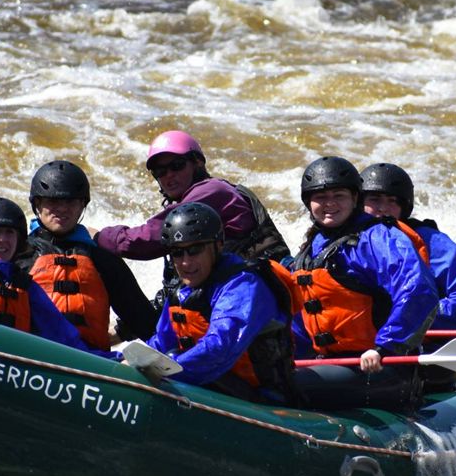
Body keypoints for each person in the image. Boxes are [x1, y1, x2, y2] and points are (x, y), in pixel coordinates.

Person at [288, 157, 440, 411]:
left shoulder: (379, 238)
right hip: (332, 363)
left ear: (355, 198)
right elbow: (299, 320)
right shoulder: (309, 251)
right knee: (271, 379)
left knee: (289, 386)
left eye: (339, 196)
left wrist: (384, 347)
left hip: (381, 366)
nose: (329, 203)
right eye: (321, 197)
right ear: (308, 202)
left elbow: (418, 291)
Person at [90, 130, 289, 300]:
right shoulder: (212, 191)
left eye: (177, 165)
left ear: (197, 163)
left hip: (253, 295)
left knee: (104, 257)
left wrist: (97, 237)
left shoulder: (211, 191)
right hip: (233, 290)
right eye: (160, 171)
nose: (169, 175)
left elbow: (143, 242)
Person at [147, 202, 296, 403]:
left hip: (262, 399)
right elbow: (160, 344)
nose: (185, 262)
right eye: (177, 253)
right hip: (209, 388)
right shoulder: (180, 292)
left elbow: (220, 346)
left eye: (195, 249)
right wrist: (123, 362)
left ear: (218, 245)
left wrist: (166, 369)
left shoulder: (243, 285)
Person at [18, 160, 158, 351]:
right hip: (30, 355)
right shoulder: (19, 256)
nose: (62, 208)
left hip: (88, 360)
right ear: (37, 204)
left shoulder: (103, 259)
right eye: (53, 201)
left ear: (82, 205)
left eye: (70, 201)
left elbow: (145, 321)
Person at [359, 162, 456, 331]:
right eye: (374, 199)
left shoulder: (428, 241)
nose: (383, 208)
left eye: (392, 201)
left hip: (416, 337)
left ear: (404, 208)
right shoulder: (340, 241)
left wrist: (414, 314)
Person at [0, 197, 92, 352]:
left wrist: (109, 359)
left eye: (9, 233)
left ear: (19, 242)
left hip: (12, 362)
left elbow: (65, 338)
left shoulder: (27, 287)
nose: (2, 239)